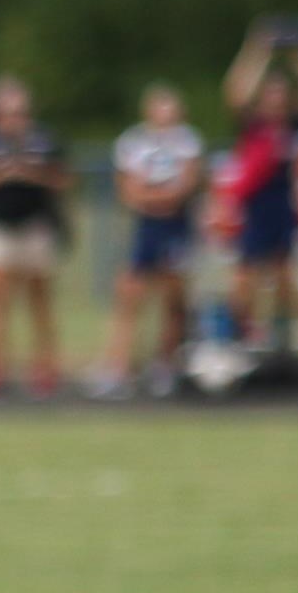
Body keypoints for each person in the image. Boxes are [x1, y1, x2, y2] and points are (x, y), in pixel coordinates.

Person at [0, 77, 71, 399]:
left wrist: (32, 174)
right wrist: (2, 175)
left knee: (40, 300)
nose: (15, 120)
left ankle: (45, 369)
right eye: (8, 113)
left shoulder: (44, 142)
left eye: (21, 113)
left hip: (34, 225)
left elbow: (64, 179)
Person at [221, 26, 298, 349]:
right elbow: (235, 92)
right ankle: (242, 331)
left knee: (286, 274)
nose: (276, 99)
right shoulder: (253, 124)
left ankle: (283, 336)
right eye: (270, 94)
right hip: (256, 206)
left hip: (284, 204)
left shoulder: (296, 123)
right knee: (246, 274)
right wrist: (258, 50)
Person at [93, 84, 203, 399]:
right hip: (146, 227)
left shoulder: (187, 141)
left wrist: (160, 197)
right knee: (130, 294)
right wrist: (155, 199)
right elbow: (129, 190)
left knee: (173, 297)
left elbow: (187, 184)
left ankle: (164, 365)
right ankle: (119, 366)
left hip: (176, 226)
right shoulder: (133, 142)